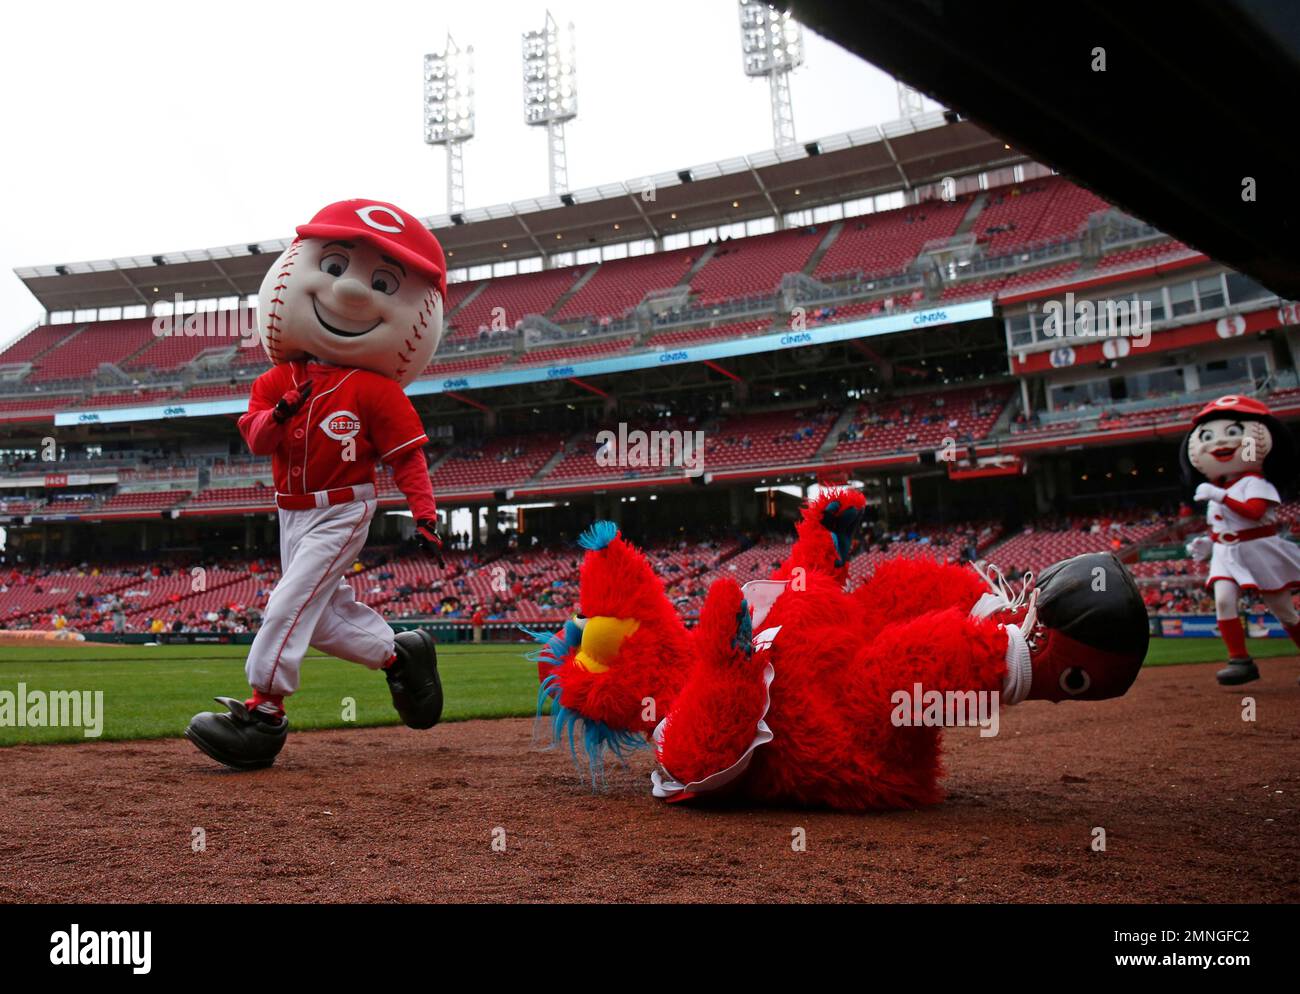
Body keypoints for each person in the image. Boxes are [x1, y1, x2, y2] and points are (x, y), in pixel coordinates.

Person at [186, 199, 450, 771]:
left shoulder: (379, 392)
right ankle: (398, 655)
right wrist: (280, 412)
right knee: (324, 618)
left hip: (344, 507)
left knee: (287, 602)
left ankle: (264, 712)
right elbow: (257, 439)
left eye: (382, 284)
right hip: (291, 510)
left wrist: (424, 513)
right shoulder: (273, 380)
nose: (353, 293)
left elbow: (408, 460)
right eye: (333, 268)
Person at [1182, 395, 1300, 685]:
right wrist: (1207, 544)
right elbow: (1222, 526)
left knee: (1283, 609)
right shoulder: (1215, 489)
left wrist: (1220, 496)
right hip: (1226, 552)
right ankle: (1240, 660)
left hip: (1259, 549)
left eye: (1232, 432)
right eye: (1207, 437)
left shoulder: (1255, 483)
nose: (1218, 443)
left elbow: (1254, 512)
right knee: (1223, 600)